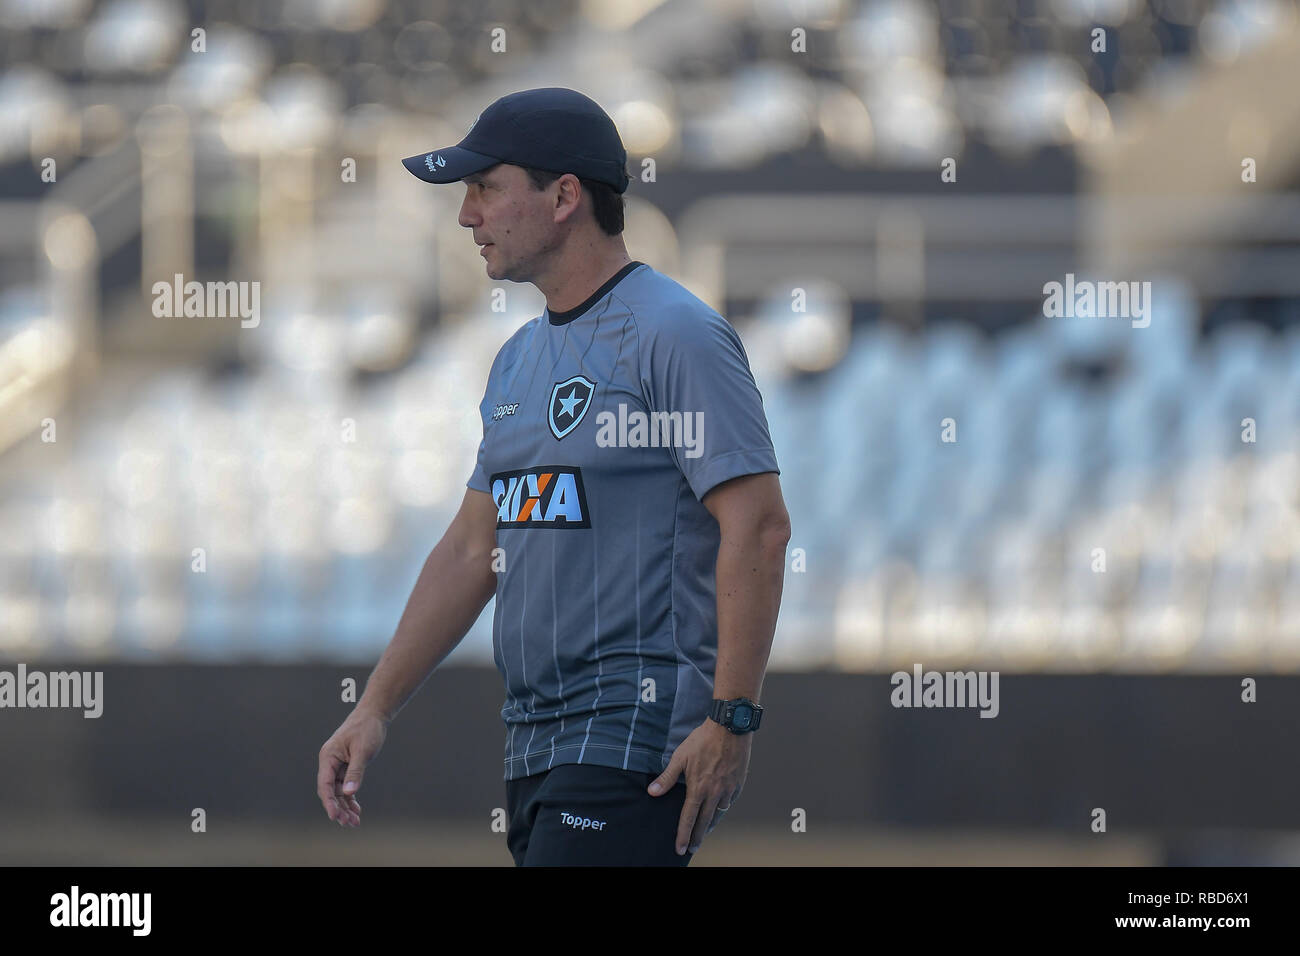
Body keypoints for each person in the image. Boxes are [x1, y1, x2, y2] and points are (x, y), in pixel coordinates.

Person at [316, 87, 790, 866]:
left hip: (633, 742)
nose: (468, 216)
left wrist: (732, 718)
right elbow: (475, 549)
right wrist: (373, 709)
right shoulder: (515, 361)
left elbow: (760, 525)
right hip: (535, 750)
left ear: (565, 196)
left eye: (485, 189)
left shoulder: (677, 335)